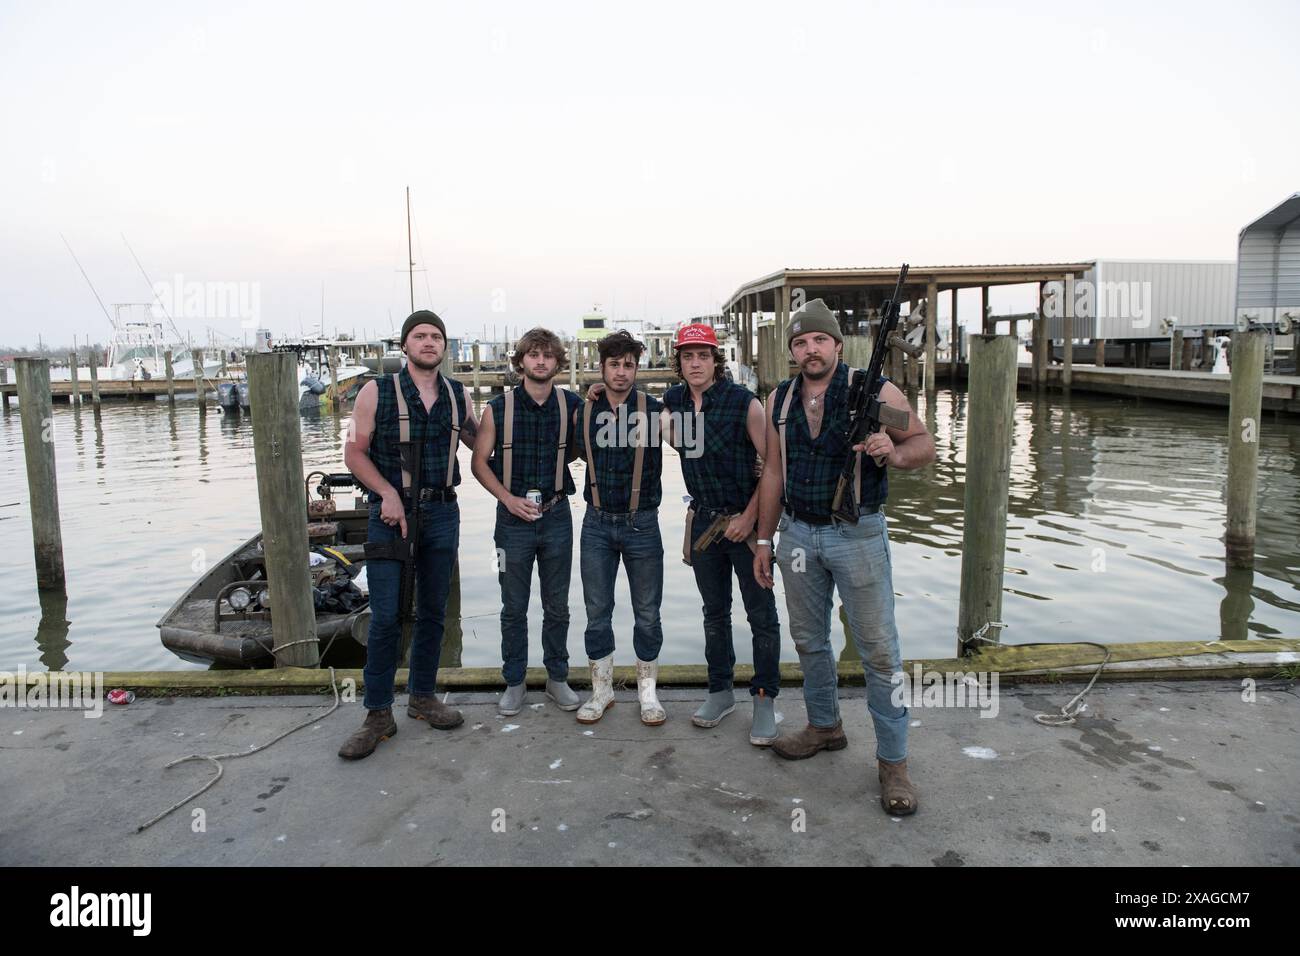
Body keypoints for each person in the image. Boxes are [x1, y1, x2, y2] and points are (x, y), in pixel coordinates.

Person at [752, 298, 935, 815]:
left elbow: (924, 443)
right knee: (810, 641)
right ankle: (824, 726)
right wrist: (765, 542)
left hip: (857, 536)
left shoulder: (875, 391)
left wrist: (891, 452)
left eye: (819, 340)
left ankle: (894, 763)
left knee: (879, 653)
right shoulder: (780, 401)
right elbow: (772, 474)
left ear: (836, 343)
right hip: (797, 535)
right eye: (800, 342)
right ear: (792, 350)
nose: (810, 349)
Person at [338, 310, 476, 760]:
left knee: (434, 612)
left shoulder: (459, 396)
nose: (429, 342)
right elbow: (354, 453)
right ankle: (377, 713)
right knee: (385, 617)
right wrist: (385, 493)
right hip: (391, 515)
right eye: (420, 335)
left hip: (442, 512)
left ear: (444, 346)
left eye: (436, 336)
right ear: (405, 345)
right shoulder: (376, 391)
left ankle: (422, 697)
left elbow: (488, 442)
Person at [662, 323, 782, 745]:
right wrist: (598, 394)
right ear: (678, 362)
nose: (695, 363)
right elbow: (632, 417)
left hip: (745, 524)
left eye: (703, 355)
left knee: (761, 615)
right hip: (705, 525)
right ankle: (720, 691)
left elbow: (774, 468)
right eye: (688, 356)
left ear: (716, 360)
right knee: (714, 613)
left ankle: (765, 699)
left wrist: (751, 518)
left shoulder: (744, 404)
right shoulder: (672, 401)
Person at [472, 328, 583, 716]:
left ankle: (557, 679)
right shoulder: (497, 409)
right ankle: (514, 682)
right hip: (511, 521)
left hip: (556, 516)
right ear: (521, 362)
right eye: (533, 355)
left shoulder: (573, 405)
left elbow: (600, 444)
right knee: (512, 606)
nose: (540, 362)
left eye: (548, 356)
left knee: (558, 606)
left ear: (557, 362)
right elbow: (477, 463)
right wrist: (507, 498)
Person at [572, 330, 667, 726]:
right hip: (596, 523)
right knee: (597, 612)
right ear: (602, 368)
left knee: (647, 613)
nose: (622, 372)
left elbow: (699, 423)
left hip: (642, 523)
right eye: (614, 364)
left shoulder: (659, 411)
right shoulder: (584, 410)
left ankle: (648, 694)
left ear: (637, 367)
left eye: (629, 364)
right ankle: (602, 691)